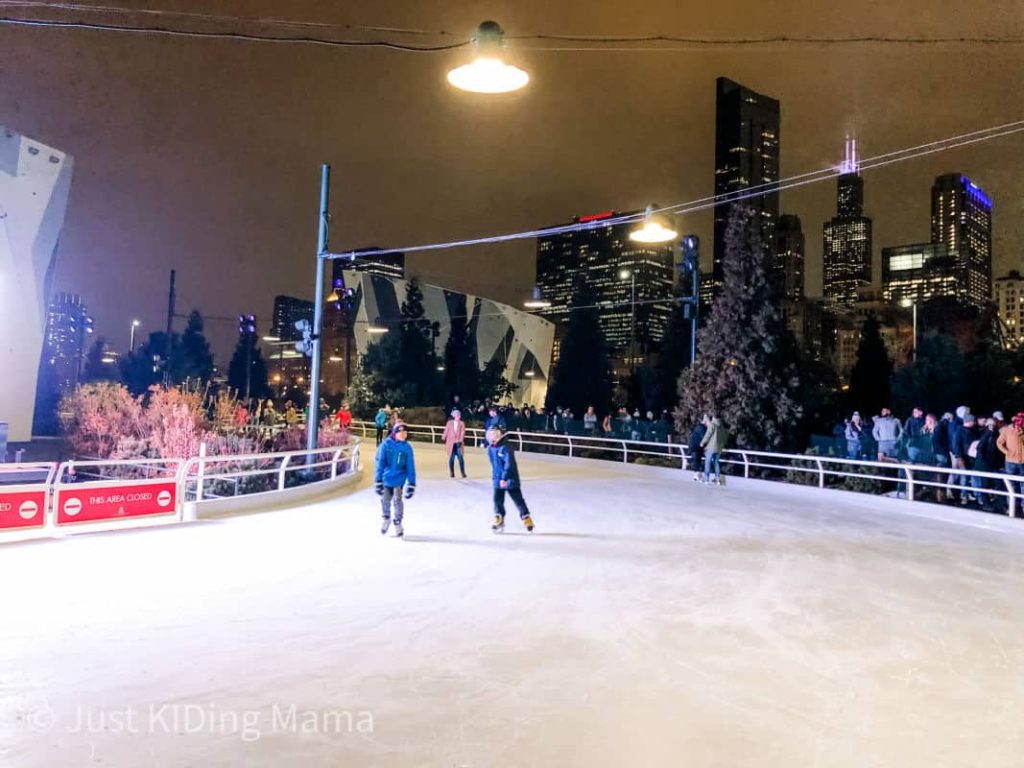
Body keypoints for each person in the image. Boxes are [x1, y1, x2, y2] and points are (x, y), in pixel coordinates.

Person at [486, 426, 534, 533]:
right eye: (490, 435)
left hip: (510, 478)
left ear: (499, 435)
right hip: (497, 479)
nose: (492, 437)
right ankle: (499, 518)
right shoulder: (490, 449)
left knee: (518, 500)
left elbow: (509, 464)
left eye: (494, 435)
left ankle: (526, 518)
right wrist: (496, 477)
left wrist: (504, 478)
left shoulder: (506, 447)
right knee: (497, 500)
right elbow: (494, 465)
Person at [374, 423, 417, 537]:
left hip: (399, 480)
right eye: (400, 432)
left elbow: (410, 466)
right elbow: (380, 463)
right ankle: (386, 518)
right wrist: (378, 480)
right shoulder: (385, 445)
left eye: (405, 432)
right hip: (386, 479)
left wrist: (411, 484)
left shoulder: (407, 447)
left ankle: (398, 522)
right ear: (395, 433)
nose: (403, 434)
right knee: (385, 500)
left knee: (397, 500)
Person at [997, 412, 1024, 499]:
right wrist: (1007, 452)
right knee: (1011, 485)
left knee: (1022, 484)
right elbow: (999, 442)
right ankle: (1012, 504)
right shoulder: (1007, 431)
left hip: (1022, 462)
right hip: (1010, 462)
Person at [699, 415, 728, 485]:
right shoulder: (722, 426)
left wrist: (702, 442)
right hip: (719, 448)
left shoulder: (712, 425)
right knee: (716, 462)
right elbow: (725, 437)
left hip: (711, 447)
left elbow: (708, 434)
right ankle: (717, 479)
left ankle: (706, 478)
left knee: (708, 462)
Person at [443, 409, 468, 479]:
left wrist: (460, 440)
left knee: (460, 458)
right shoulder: (449, 423)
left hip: (458, 443)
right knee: (451, 458)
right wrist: (443, 437)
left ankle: (463, 472)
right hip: (451, 443)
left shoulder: (462, 423)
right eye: (457, 415)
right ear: (454, 416)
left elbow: (463, 432)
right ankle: (452, 472)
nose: (459, 417)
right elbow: (446, 430)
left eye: (459, 415)